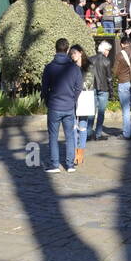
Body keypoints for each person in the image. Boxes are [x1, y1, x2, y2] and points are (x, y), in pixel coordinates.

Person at [41, 38, 83, 172]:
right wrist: (73, 99)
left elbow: (44, 88)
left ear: (56, 48)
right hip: (68, 106)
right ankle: (70, 165)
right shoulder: (74, 68)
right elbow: (79, 87)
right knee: (70, 136)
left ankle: (55, 165)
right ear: (67, 49)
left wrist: (47, 101)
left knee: (53, 136)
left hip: (54, 105)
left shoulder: (49, 67)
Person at [70, 45, 95, 166]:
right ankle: (74, 152)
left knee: (83, 126)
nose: (72, 55)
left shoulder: (88, 66)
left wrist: (77, 87)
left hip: (84, 97)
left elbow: (90, 81)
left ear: (80, 53)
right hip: (72, 98)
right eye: (71, 54)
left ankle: (81, 153)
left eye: (74, 53)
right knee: (73, 126)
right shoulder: (70, 66)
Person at [89, 40, 112, 140]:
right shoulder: (107, 61)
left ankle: (88, 133)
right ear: (104, 50)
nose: (108, 52)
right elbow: (109, 78)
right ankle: (98, 133)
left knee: (91, 112)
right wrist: (111, 91)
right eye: (108, 50)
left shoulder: (90, 59)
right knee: (101, 113)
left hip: (92, 88)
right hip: (103, 88)